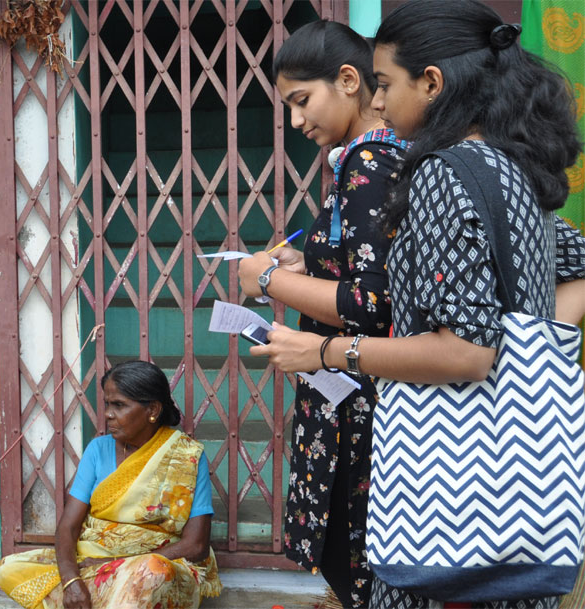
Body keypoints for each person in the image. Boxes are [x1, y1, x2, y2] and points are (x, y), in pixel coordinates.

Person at [254, 1, 585, 607]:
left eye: (384, 85)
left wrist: (325, 352)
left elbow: (466, 353)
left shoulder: (441, 173)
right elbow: (575, 268)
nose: (377, 103)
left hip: (447, 501)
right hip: (519, 497)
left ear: (431, 83)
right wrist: (528, 341)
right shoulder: (510, 163)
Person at [236, 20, 406, 609]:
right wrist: (306, 258)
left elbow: (372, 302)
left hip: (360, 404)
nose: (295, 120)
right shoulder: (368, 159)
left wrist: (268, 280)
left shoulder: (369, 165)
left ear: (350, 81)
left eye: (302, 100)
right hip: (352, 391)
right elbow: (364, 263)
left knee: (362, 572)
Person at [0, 361, 220, 609]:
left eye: (119, 405)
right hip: (93, 560)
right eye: (107, 404)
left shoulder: (187, 457)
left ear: (153, 410)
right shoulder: (98, 449)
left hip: (153, 567)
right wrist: (71, 582)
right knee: (9, 568)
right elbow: (68, 527)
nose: (108, 414)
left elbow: (196, 545)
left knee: (148, 573)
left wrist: (116, 564)